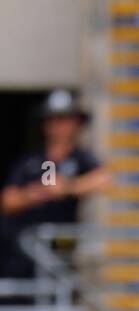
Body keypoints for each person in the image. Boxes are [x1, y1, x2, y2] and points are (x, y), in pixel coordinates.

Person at [1, 90, 109, 279]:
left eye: (67, 119)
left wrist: (68, 187)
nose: (61, 127)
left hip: (60, 252)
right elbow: (8, 200)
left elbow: (104, 179)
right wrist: (39, 193)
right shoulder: (32, 161)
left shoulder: (80, 159)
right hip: (24, 253)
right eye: (55, 120)